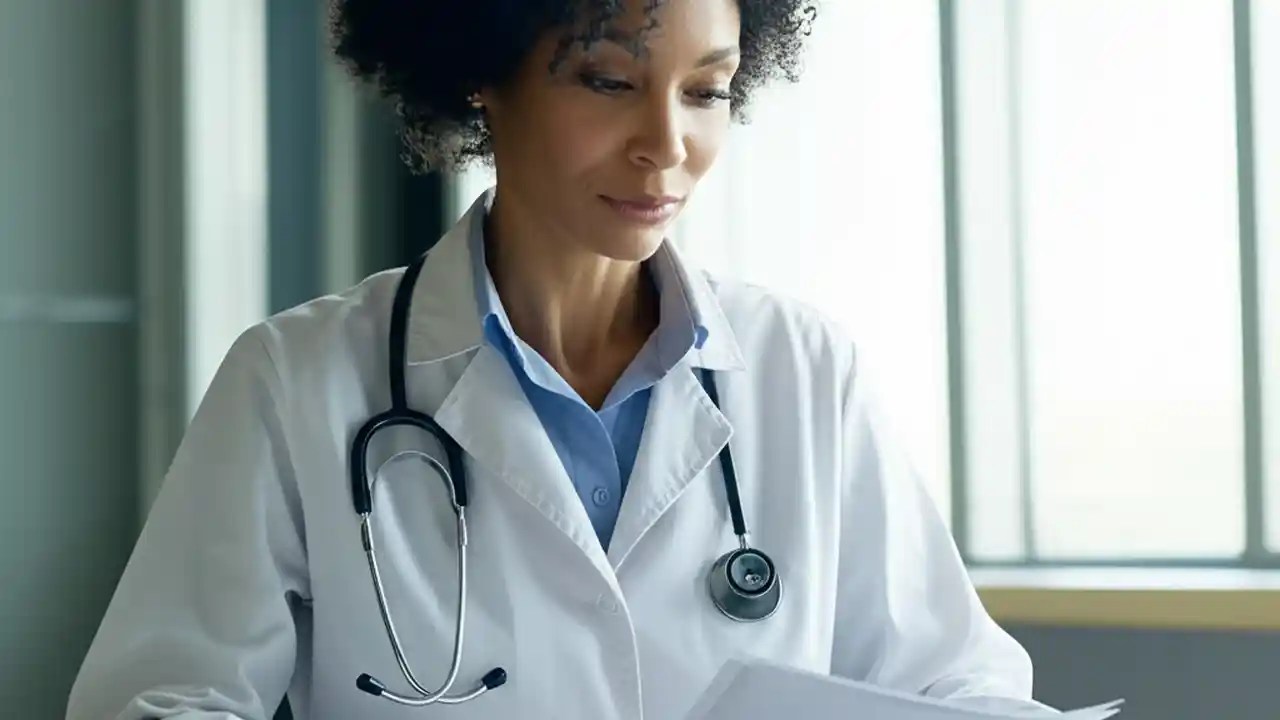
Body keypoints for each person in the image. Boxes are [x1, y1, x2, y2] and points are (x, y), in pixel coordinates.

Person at [67, 1, 1049, 718]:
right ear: (480, 75)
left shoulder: (803, 374)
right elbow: (160, 703)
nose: (666, 144)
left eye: (705, 91)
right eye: (610, 82)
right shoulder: (297, 381)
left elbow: (958, 689)